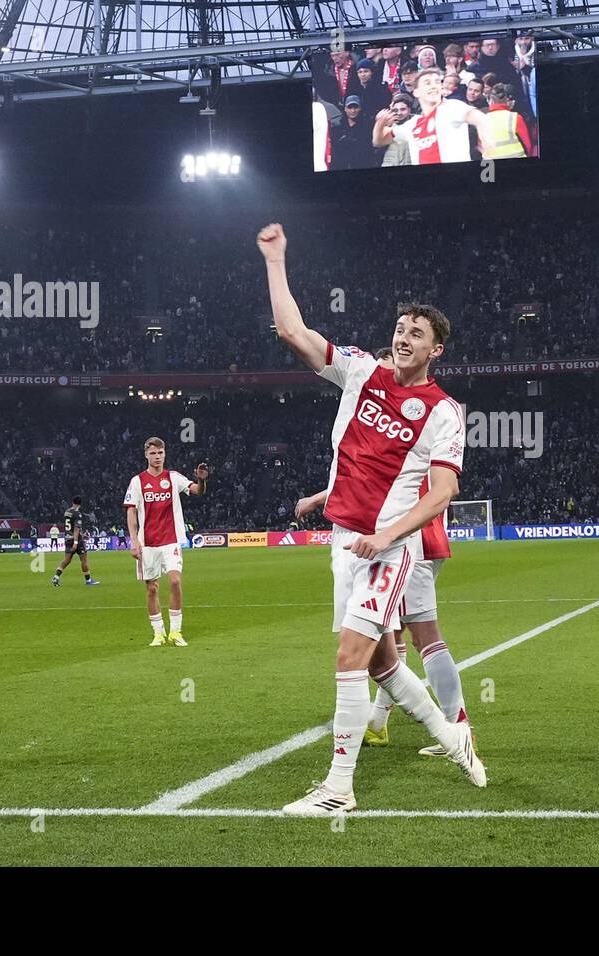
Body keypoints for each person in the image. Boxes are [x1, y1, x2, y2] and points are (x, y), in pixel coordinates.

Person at [258, 221, 484, 816]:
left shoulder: (443, 412)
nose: (404, 336)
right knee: (383, 664)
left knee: (349, 659)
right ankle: (452, 734)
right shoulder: (361, 372)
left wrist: (386, 534)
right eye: (400, 329)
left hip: (388, 550)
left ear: (437, 349)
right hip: (344, 543)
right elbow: (292, 332)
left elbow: (444, 492)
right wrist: (277, 261)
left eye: (418, 333)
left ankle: (338, 789)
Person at [123, 438, 209, 647]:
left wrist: (203, 480)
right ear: (146, 455)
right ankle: (158, 633)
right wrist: (134, 541)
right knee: (152, 588)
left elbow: (197, 491)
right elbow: (131, 511)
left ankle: (176, 631)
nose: (157, 457)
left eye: (161, 453)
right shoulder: (137, 481)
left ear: (165, 454)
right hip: (148, 543)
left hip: (171, 540)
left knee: (175, 581)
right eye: (153, 453)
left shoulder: (173, 477)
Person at [372, 68, 493, 165]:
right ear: (416, 92)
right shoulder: (412, 124)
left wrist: (486, 143)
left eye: (437, 82)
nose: (433, 86)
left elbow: (479, 118)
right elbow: (379, 141)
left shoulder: (451, 107)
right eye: (427, 83)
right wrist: (380, 123)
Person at [479, 82, 535, 159]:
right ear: (509, 100)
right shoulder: (515, 117)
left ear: (490, 101)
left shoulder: (482, 119)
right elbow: (527, 145)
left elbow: (480, 145)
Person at [52, 496, 99, 586]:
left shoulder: (67, 512)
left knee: (67, 560)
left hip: (67, 538)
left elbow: (71, 526)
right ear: (80, 504)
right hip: (76, 540)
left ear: (72, 502)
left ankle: (56, 577)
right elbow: (76, 528)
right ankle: (88, 581)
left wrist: (81, 534)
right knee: (84, 560)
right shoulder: (78, 514)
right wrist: (76, 542)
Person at [380, 94, 415, 166]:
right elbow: (377, 144)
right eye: (396, 110)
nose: (399, 113)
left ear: (409, 109)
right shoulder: (387, 123)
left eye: (403, 109)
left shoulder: (417, 122)